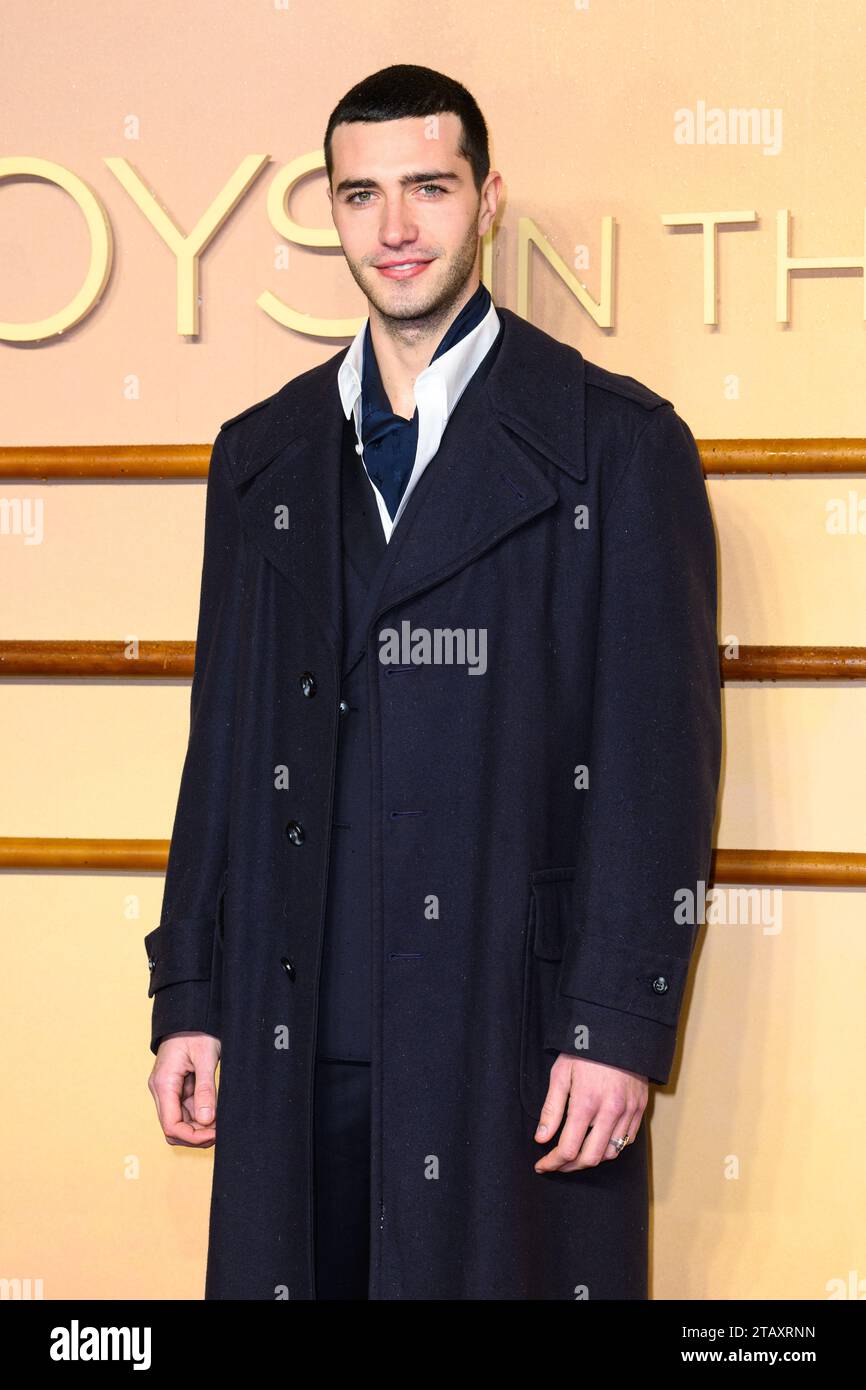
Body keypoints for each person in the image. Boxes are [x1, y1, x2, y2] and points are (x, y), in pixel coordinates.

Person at [145, 63, 722, 1301]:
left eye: (427, 188)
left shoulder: (614, 445)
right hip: (289, 1029)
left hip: (503, 1043)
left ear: (487, 200)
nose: (394, 228)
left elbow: (655, 769)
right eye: (362, 195)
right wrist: (188, 991)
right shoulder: (260, 457)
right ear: (332, 212)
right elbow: (223, 750)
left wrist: (617, 1026)